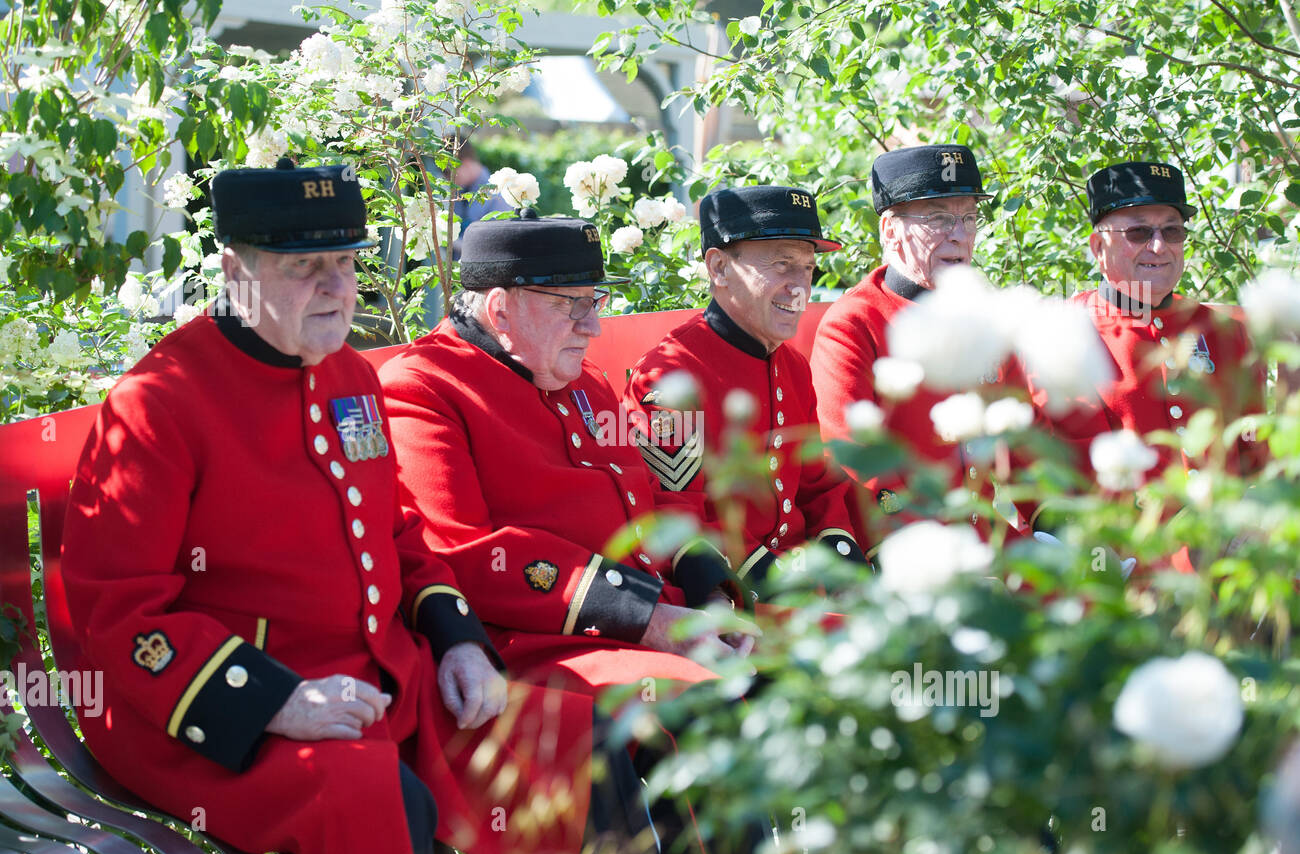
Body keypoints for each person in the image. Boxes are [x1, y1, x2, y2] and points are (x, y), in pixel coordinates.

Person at [61, 160, 629, 854]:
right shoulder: (159, 403)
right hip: (224, 710)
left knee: (584, 745)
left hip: (385, 677)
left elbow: (397, 534)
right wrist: (275, 702)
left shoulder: (350, 376)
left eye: (346, 261)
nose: (337, 287)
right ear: (236, 270)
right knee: (378, 801)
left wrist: (458, 642)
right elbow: (120, 613)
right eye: (306, 267)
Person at [379, 209, 755, 703]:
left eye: (595, 300)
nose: (593, 326)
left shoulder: (587, 380)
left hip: (663, 619)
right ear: (500, 311)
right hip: (546, 645)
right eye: (572, 305)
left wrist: (710, 594)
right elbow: (466, 554)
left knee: (809, 665)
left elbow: (653, 498)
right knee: (725, 705)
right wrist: (650, 619)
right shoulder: (423, 387)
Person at [623, 185, 866, 600]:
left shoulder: (790, 364)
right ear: (718, 268)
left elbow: (814, 483)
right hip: (736, 597)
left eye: (807, 268)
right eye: (782, 264)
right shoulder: (669, 377)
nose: (799, 286)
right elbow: (676, 516)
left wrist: (845, 562)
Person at [810, 144, 1026, 542]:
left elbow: (1024, 441)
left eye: (969, 218)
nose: (959, 235)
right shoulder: (854, 323)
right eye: (939, 219)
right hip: (913, 549)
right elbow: (857, 462)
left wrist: (1049, 525)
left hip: (993, 544)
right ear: (890, 230)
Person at [1047, 161, 1265, 485]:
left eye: (1172, 231)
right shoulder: (1065, 333)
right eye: (1138, 233)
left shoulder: (1225, 331)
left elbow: (1255, 456)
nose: (1159, 246)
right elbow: (1072, 477)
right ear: (1098, 248)